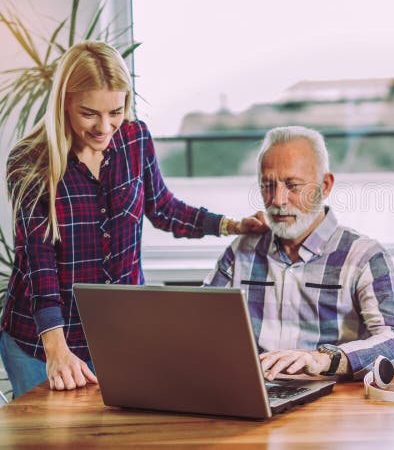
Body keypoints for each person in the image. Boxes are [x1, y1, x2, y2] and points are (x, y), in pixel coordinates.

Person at [0, 41, 267, 398]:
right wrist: (57, 350)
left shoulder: (134, 138)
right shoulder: (30, 161)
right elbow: (39, 263)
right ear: (64, 101)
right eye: (89, 113)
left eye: (115, 110)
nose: (105, 126)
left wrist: (230, 225)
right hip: (41, 343)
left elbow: (163, 208)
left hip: (116, 337)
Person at [203, 125, 394, 380]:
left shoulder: (363, 256)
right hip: (256, 393)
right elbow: (199, 326)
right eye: (268, 186)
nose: (278, 200)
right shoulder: (241, 252)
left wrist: (324, 359)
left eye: (292, 186)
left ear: (325, 186)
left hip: (332, 403)